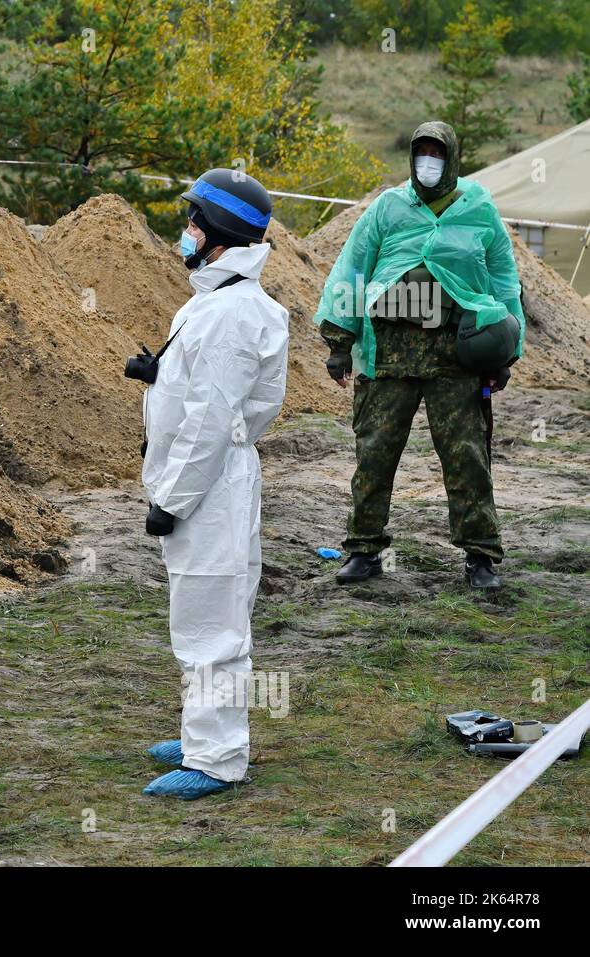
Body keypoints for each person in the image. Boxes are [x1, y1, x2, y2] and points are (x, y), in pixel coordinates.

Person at [314, 121, 524, 590]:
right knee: (374, 453)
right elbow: (351, 268)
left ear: (452, 158)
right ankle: (364, 550)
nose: (428, 161)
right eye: (420, 152)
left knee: (467, 455)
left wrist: (507, 352)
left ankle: (480, 557)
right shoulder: (388, 209)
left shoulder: (478, 209)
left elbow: (506, 282)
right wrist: (339, 341)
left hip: (456, 355)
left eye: (437, 153)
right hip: (388, 354)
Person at [140, 169, 289, 800]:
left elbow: (210, 421)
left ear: (219, 234)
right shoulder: (220, 298)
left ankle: (217, 755)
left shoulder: (230, 312)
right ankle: (205, 727)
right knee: (207, 610)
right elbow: (205, 392)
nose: (185, 233)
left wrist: (170, 500)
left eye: (194, 222)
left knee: (211, 620)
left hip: (207, 486)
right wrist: (159, 372)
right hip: (214, 480)